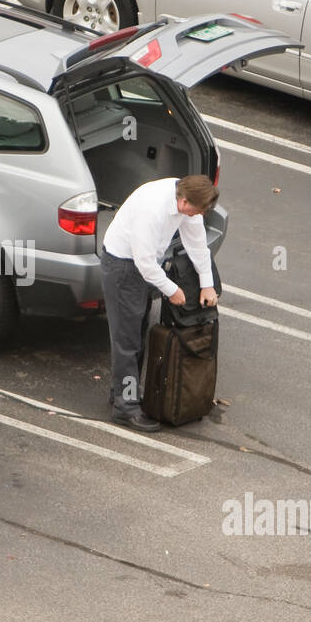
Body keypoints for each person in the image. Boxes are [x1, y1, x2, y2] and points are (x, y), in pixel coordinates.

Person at [100, 175, 219, 432]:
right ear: (184, 201)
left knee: (138, 333)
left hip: (141, 267)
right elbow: (144, 263)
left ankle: (122, 392)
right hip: (124, 267)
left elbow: (197, 244)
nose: (197, 216)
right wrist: (171, 289)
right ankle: (125, 407)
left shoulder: (188, 201)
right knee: (127, 340)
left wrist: (207, 282)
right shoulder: (152, 210)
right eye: (196, 211)